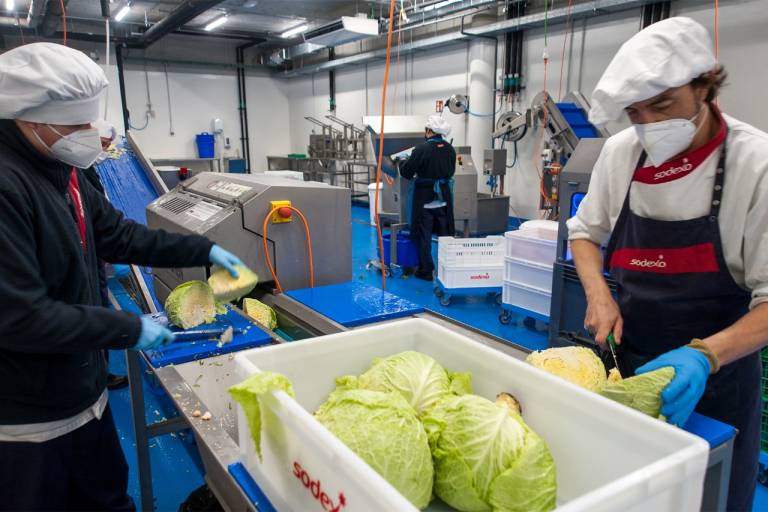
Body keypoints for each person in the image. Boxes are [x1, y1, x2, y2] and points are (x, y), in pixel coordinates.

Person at [0, 42, 248, 510]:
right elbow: (18, 316)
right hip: (26, 417)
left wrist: (204, 246)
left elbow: (118, 235)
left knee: (110, 497)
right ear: (30, 120)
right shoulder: (8, 186)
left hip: (81, 392)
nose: (89, 134)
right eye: (76, 124)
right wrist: (128, 327)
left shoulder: (62, 170)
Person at [567, 17, 768, 511]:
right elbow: (584, 234)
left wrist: (703, 355)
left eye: (664, 104)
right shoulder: (620, 154)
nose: (651, 125)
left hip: (718, 381)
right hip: (630, 367)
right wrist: (599, 294)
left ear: (705, 85)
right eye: (637, 113)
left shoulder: (756, 165)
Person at [398, 114, 457, 280]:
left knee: (424, 233)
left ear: (429, 130)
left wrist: (403, 161)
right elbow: (450, 171)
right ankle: (448, 267)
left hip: (425, 197)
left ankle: (426, 270)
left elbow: (407, 172)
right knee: (445, 234)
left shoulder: (421, 149)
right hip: (444, 196)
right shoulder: (450, 149)